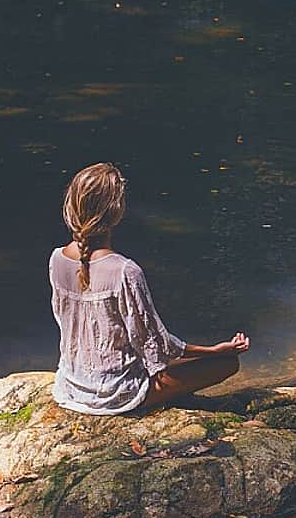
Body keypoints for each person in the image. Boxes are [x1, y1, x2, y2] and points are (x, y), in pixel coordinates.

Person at [49, 162, 249, 415]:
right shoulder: (125, 271)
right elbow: (157, 345)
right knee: (226, 364)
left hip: (72, 387)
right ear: (117, 212)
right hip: (116, 394)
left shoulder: (57, 259)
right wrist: (213, 350)